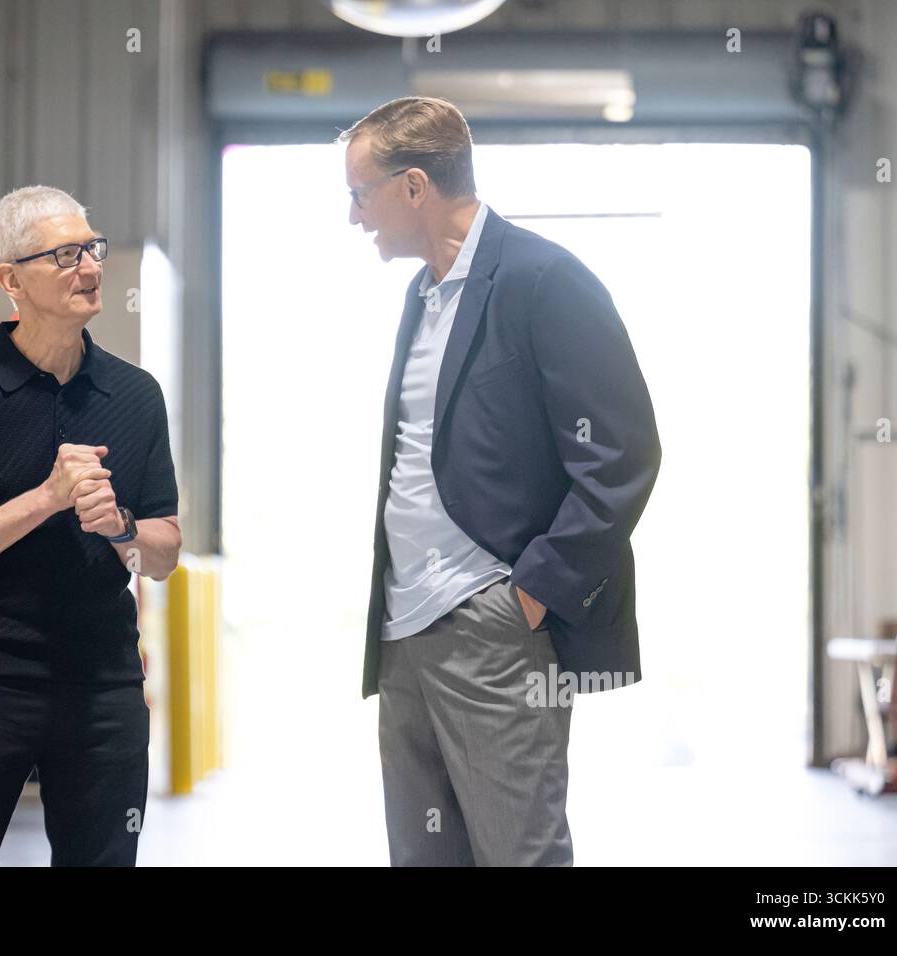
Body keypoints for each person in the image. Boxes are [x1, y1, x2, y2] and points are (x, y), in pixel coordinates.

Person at [342, 97, 662, 866]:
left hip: (493, 625)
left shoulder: (544, 279)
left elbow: (622, 453)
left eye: (360, 195)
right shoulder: (420, 295)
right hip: (403, 632)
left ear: (414, 187)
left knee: (519, 853)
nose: (354, 217)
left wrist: (531, 590)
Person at [0, 185, 181, 866]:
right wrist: (46, 498)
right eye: (65, 255)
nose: (90, 266)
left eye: (93, 248)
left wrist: (120, 528)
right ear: (11, 280)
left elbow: (164, 552)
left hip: (103, 684)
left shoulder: (136, 396)